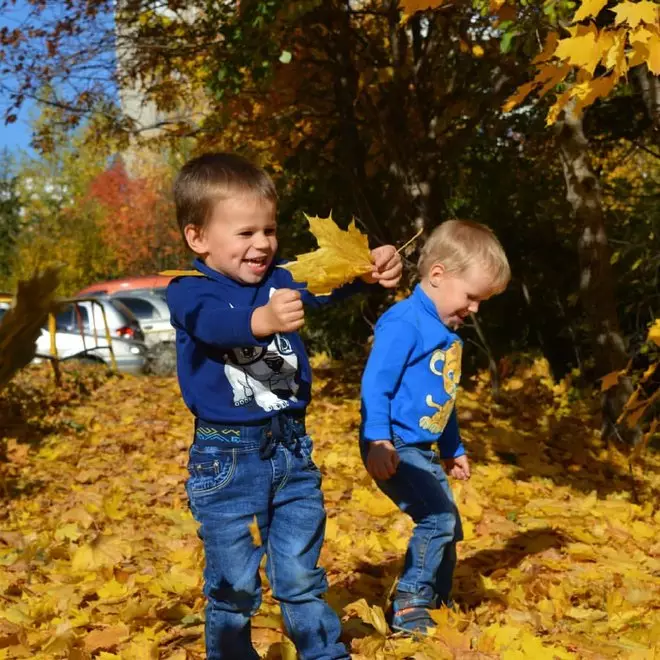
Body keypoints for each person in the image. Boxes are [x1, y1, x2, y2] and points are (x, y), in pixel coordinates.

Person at [166, 152, 402, 659]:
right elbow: (212, 325)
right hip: (227, 460)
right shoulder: (189, 290)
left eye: (269, 230)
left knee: (300, 573)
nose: (263, 244)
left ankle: (323, 652)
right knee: (234, 587)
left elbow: (324, 288)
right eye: (245, 232)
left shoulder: (280, 280)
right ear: (198, 238)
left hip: (292, 451)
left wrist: (367, 271)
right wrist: (262, 321)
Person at [360, 219, 510, 634]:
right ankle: (411, 605)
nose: (475, 308)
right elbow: (375, 384)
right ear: (439, 275)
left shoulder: (445, 334)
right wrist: (378, 440)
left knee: (449, 526)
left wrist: (452, 448)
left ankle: (438, 604)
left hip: (423, 448)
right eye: (471, 297)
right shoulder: (404, 323)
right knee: (437, 520)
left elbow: (443, 400)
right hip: (394, 444)